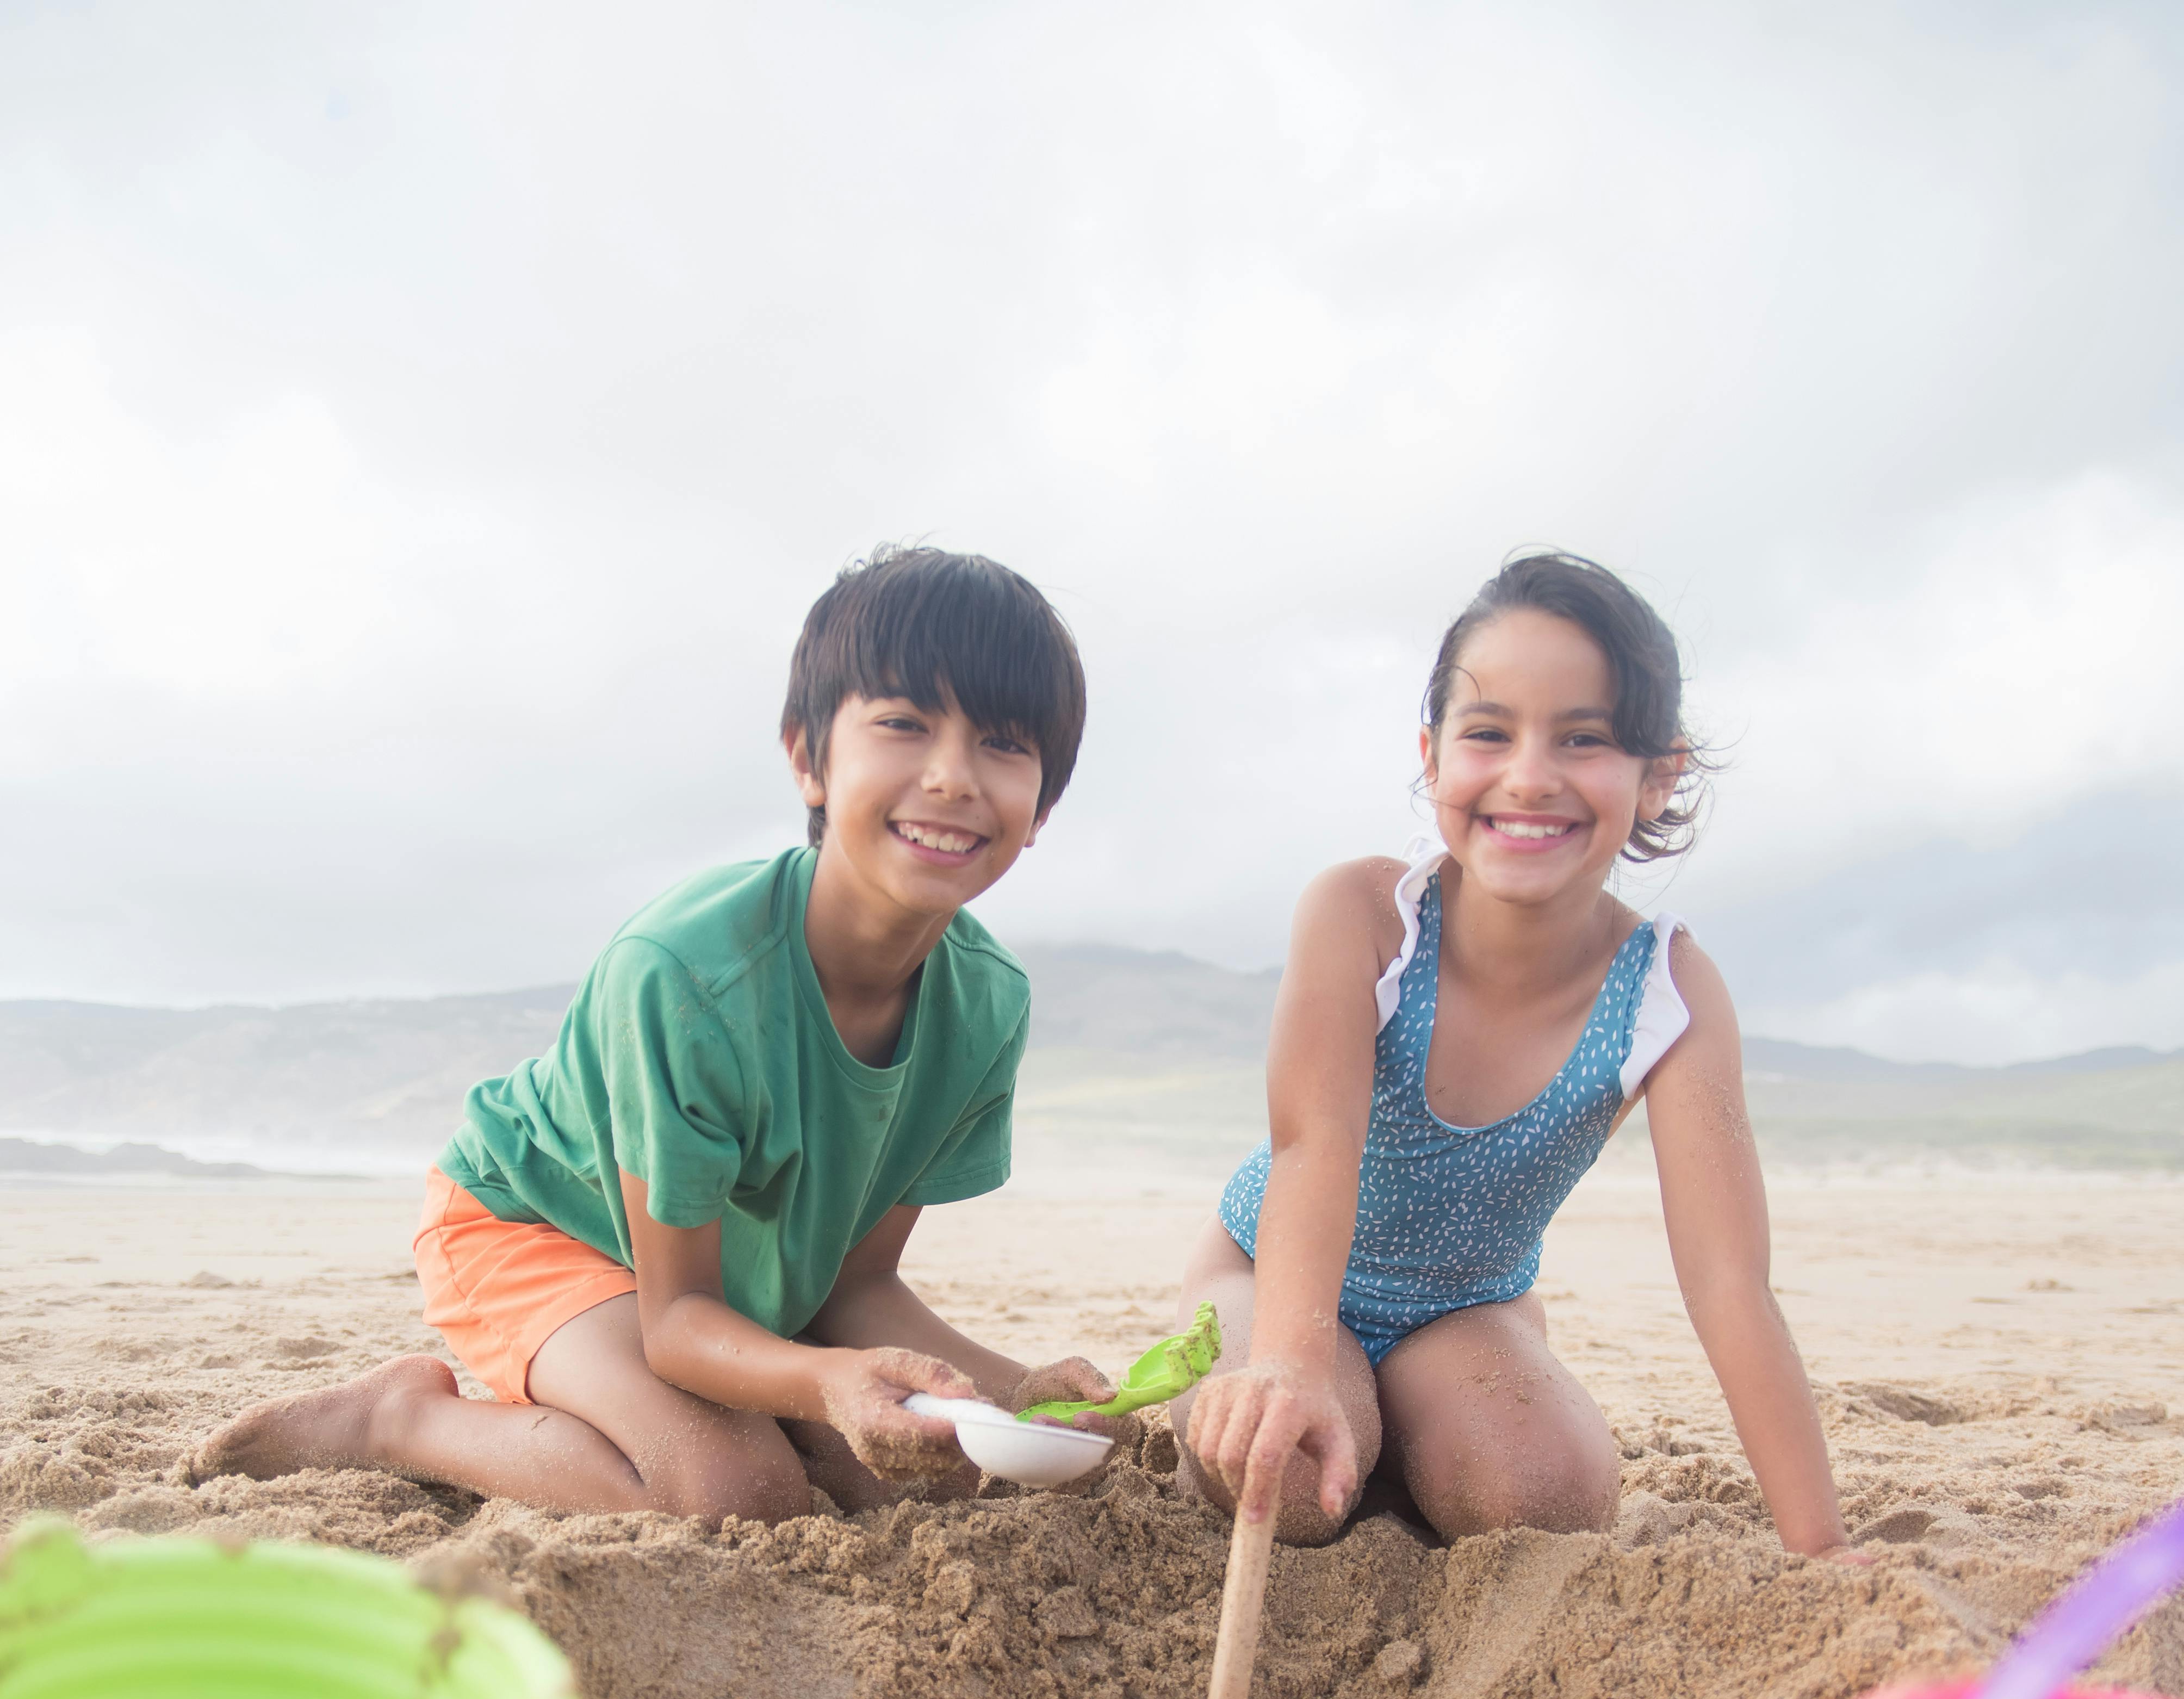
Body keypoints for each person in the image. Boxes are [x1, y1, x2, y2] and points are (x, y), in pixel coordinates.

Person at [190, 546, 1114, 1523]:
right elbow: (677, 1324)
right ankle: (398, 1420)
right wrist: (827, 1383)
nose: (952, 777)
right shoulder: (686, 978)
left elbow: (858, 1287)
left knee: (906, 1472)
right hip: (532, 1223)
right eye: (904, 725)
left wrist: (1019, 1394)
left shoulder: (986, 1005)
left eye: (1003, 746)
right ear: (808, 755)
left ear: (1044, 803)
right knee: (735, 1489)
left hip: (704, 1284)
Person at [1171, 550, 1852, 1557]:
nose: (1529, 776)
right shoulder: (1365, 916)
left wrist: (1822, 1546)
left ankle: (1412, 1414)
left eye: (1583, 739)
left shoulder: (1670, 994)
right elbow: (1316, 1144)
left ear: (1659, 775)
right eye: (1489, 734)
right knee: (1291, 1474)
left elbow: (1728, 1282)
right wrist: (1289, 1358)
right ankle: (1343, 1405)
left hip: (1463, 1310)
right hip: (1274, 1274)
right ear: (1435, 754)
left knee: (1547, 1492)